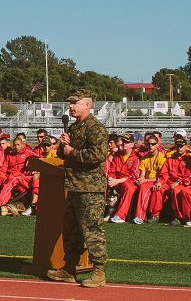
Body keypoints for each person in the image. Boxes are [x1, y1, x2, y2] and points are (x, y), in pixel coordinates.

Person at [47, 88, 109, 288]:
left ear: (87, 105)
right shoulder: (73, 128)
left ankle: (98, 270)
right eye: (70, 103)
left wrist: (72, 151)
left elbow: (98, 155)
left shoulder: (95, 128)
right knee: (71, 229)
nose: (71, 107)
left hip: (90, 189)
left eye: (75, 103)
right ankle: (69, 268)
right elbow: (65, 155)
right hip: (74, 186)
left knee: (92, 230)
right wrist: (63, 147)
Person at [106, 133, 140, 223]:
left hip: (128, 182)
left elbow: (134, 176)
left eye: (127, 142)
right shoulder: (117, 156)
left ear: (132, 144)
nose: (125, 144)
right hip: (116, 181)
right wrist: (111, 180)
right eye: (124, 141)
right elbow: (111, 170)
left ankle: (120, 215)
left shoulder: (136, 158)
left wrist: (117, 181)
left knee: (129, 187)